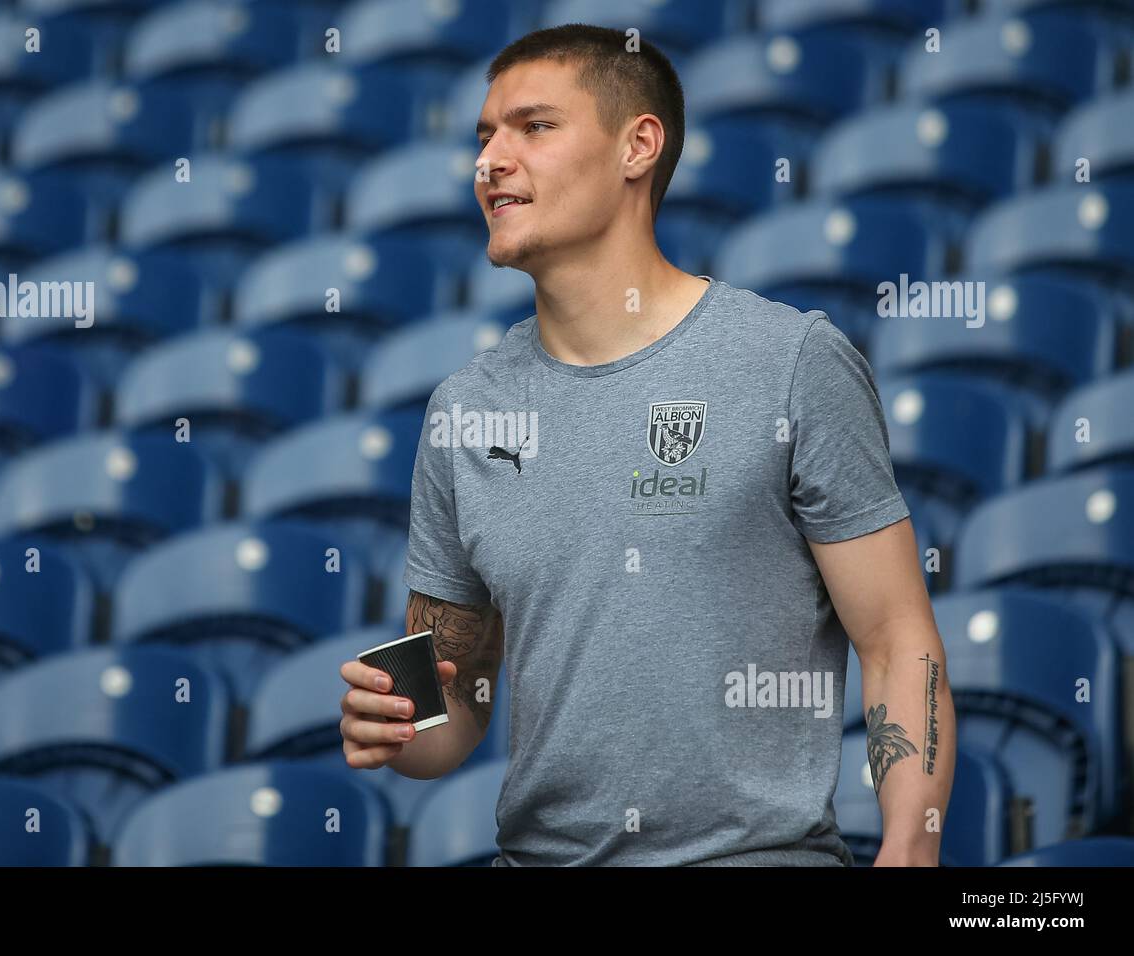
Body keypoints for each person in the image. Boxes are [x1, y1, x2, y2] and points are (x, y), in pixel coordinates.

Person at [340, 23, 955, 866]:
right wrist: (396, 726)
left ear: (639, 145)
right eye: (484, 137)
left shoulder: (790, 361)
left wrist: (910, 850)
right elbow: (461, 697)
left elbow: (896, 638)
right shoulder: (463, 408)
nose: (490, 161)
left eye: (534, 127)